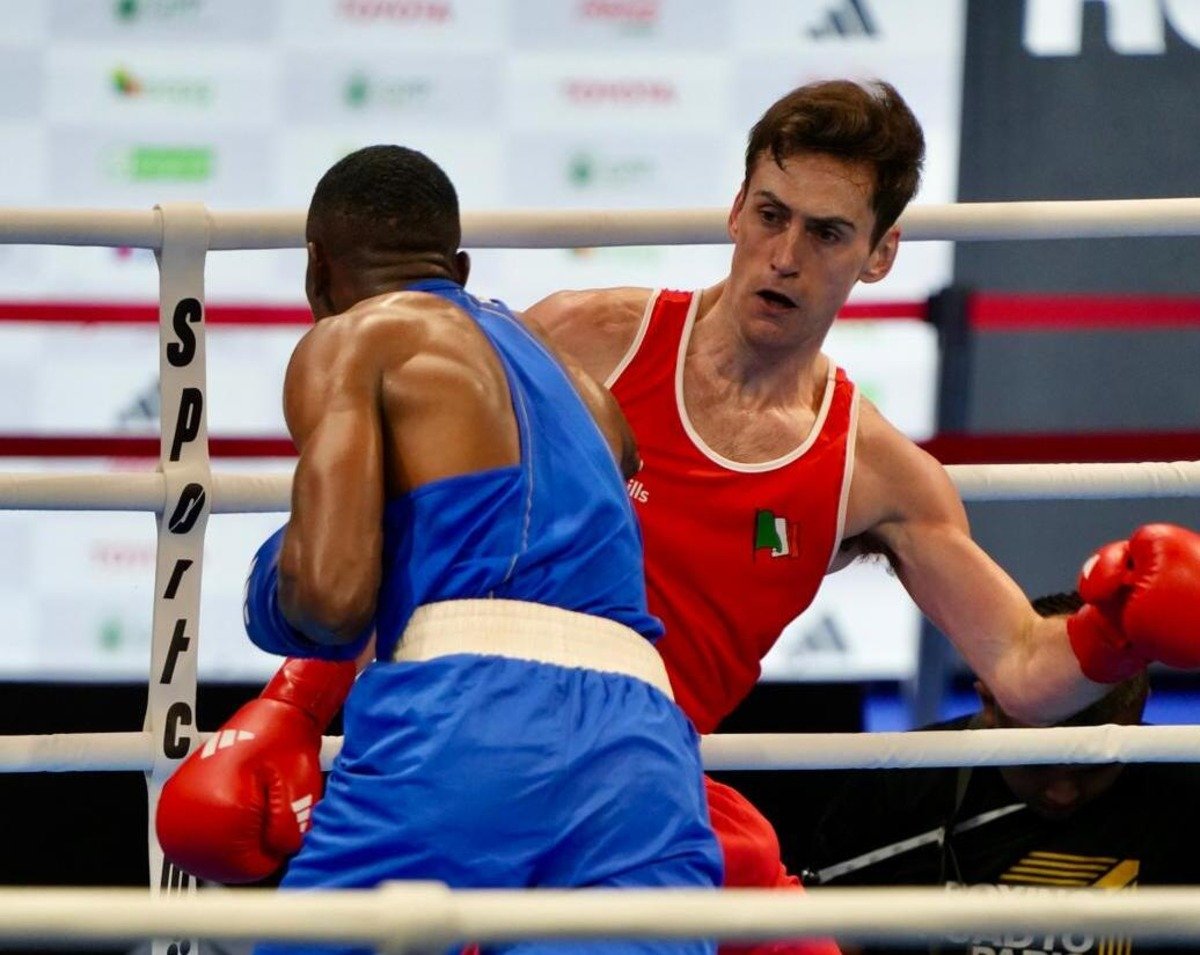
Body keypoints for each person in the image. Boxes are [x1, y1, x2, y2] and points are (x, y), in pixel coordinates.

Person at [520, 75, 1200, 947]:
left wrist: (1121, 635)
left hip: (650, 783)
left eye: (827, 232)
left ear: (879, 254)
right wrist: (305, 704)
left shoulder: (874, 471)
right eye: (771, 215)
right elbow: (410, 514)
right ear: (735, 211)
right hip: (501, 740)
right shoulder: (586, 341)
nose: (785, 255)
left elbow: (1024, 667)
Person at [156, 144, 722, 955]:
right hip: (643, 745)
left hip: (468, 721)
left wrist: (269, 583)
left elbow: (331, 598)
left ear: (317, 272)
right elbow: (610, 475)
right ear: (457, 266)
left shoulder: (355, 339)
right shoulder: (574, 382)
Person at [806, 592, 1200, 955]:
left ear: (1139, 716)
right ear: (989, 701)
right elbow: (827, 938)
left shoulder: (1186, 797)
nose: (1062, 793)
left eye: (1095, 768)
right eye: (1037, 762)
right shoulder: (901, 784)